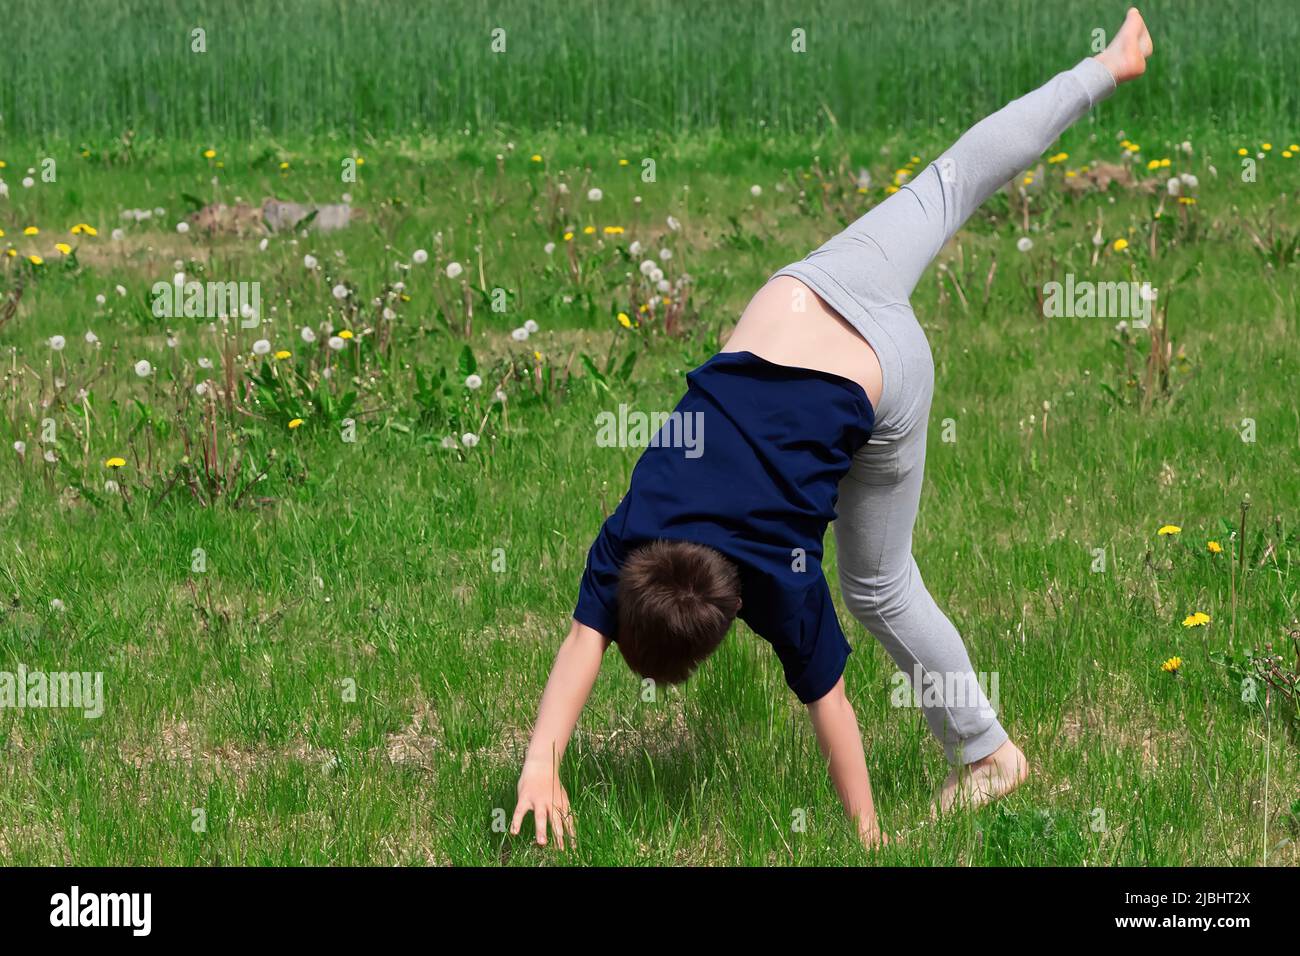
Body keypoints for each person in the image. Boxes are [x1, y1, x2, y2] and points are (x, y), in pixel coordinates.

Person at [513, 8, 1154, 850]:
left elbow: (832, 706)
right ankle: (1111, 62)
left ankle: (989, 757)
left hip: (879, 377)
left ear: (729, 617)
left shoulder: (777, 584)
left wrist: (867, 838)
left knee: (878, 587)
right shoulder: (637, 522)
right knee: (955, 177)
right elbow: (584, 637)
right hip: (809, 290)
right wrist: (540, 758)